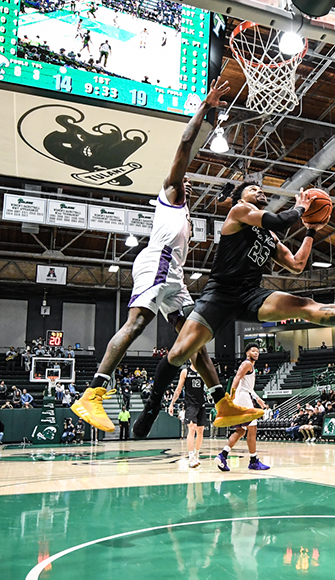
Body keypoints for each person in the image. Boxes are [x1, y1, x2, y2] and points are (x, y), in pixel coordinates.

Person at [135, 180, 335, 438]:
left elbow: (297, 264)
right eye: (254, 188)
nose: (260, 190)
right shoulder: (239, 211)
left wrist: (311, 230)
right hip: (220, 294)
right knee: (181, 352)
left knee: (305, 306)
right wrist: (302, 207)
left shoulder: (269, 236)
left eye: (260, 188)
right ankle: (153, 404)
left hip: (251, 294)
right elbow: (280, 219)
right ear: (242, 197)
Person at [73, 79, 256, 434]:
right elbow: (186, 144)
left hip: (173, 273)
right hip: (157, 261)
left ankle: (222, 403)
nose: (186, 182)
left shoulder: (184, 209)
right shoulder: (170, 190)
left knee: (195, 338)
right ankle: (92, 393)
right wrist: (205, 108)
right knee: (138, 322)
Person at [216, 345, 271, 471]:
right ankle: (253, 461)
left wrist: (258, 399)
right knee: (253, 429)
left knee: (241, 431)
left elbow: (247, 386)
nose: (256, 353)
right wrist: (231, 394)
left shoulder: (250, 365)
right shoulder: (247, 364)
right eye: (253, 350)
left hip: (242, 397)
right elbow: (237, 378)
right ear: (247, 353)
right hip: (242, 398)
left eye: (257, 351)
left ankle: (223, 455)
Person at [168, 364, 207, 468]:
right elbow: (179, 388)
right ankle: (190, 457)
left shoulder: (203, 370)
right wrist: (172, 403)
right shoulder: (185, 372)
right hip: (190, 405)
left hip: (201, 404)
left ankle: (196, 454)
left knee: (200, 431)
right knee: (192, 428)